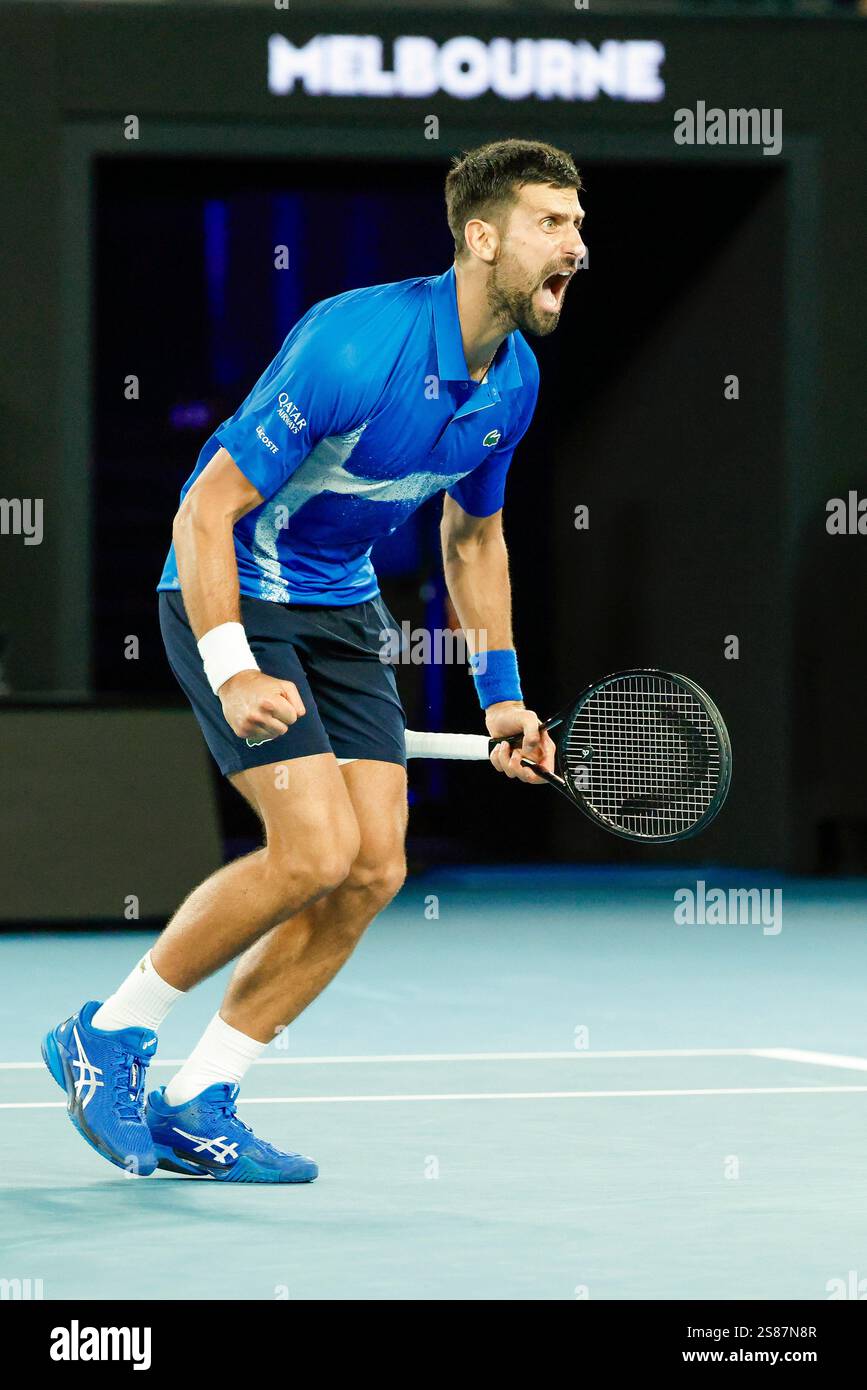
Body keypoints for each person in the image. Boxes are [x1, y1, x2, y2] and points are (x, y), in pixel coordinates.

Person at [42, 138, 586, 1182]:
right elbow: (205, 508)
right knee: (311, 850)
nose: (578, 242)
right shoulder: (353, 343)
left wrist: (504, 698)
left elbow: (473, 539)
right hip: (228, 591)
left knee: (375, 864)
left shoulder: (510, 381)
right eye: (551, 223)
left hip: (340, 611)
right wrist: (233, 662)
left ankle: (204, 1094)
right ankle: (108, 1034)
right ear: (481, 238)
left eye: (578, 220)